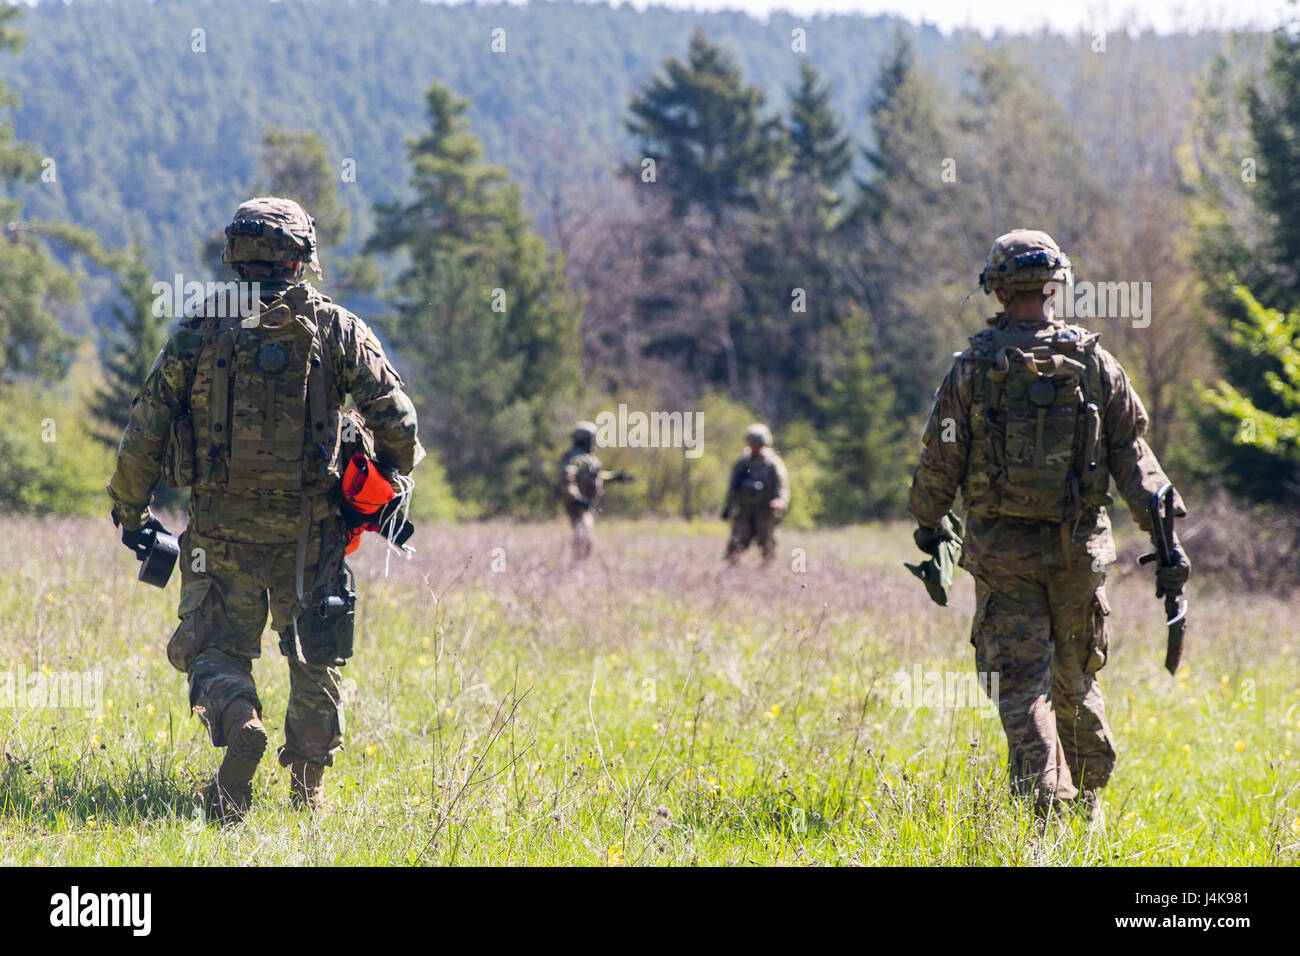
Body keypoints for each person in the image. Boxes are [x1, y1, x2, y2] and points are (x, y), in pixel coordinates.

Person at [107, 197, 424, 822]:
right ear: (302, 258)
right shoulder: (338, 329)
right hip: (314, 534)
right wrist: (381, 480)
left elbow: (143, 432)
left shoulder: (198, 332)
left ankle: (240, 721)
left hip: (219, 533)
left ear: (234, 255)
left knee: (213, 650)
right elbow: (402, 429)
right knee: (314, 658)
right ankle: (309, 794)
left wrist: (132, 515)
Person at [907, 228, 1190, 822]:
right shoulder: (1094, 363)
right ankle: (1086, 799)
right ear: (1055, 283)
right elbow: (1134, 459)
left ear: (998, 288)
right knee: (1076, 675)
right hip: (1079, 552)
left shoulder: (972, 369)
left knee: (1020, 683)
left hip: (1000, 553)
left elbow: (939, 461)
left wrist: (928, 522)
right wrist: (1166, 542)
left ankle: (1046, 809)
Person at [721, 423, 789, 567]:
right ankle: (729, 573)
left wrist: (780, 501)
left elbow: (782, 485)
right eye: (752, 443)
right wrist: (727, 508)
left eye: (758, 444)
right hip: (745, 510)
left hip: (765, 511)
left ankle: (766, 574)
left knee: (768, 546)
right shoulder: (742, 463)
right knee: (736, 543)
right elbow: (732, 488)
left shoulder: (772, 464)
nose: (755, 447)